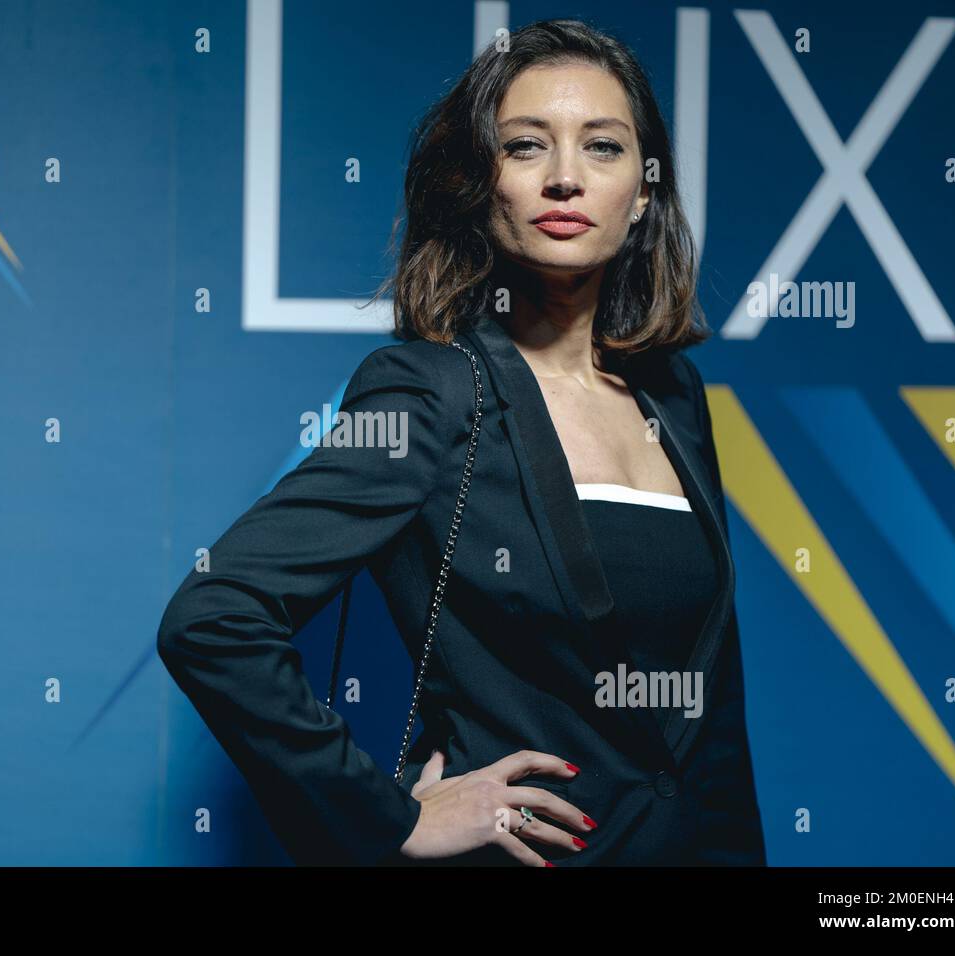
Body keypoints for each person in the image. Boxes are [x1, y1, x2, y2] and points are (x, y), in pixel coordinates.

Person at [157, 18, 767, 867]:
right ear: (480, 185)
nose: (565, 178)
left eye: (602, 146)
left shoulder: (675, 395)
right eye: (526, 147)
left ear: (644, 189)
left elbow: (710, 710)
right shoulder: (433, 391)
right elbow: (214, 615)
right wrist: (390, 819)